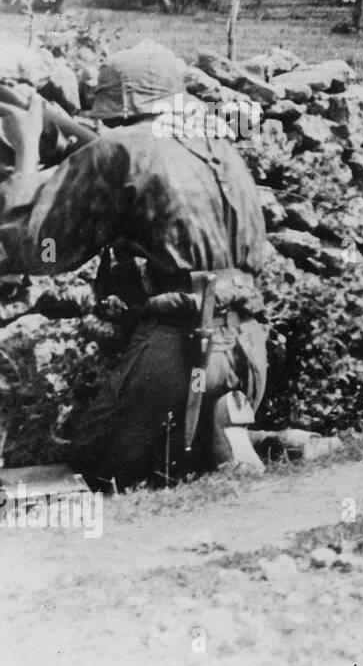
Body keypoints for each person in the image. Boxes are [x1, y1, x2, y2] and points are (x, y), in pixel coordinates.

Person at [0, 40, 269, 490]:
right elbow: (146, 180)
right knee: (173, 453)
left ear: (116, 103)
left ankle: (212, 428)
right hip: (248, 348)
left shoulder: (118, 151)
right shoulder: (216, 146)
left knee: (101, 465)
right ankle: (236, 428)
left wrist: (26, 148)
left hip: (184, 346)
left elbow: (35, 246)